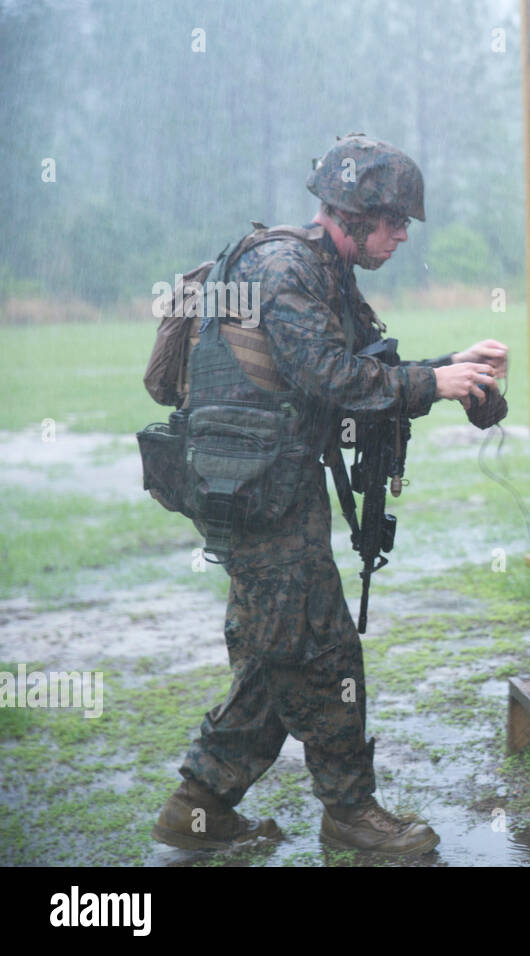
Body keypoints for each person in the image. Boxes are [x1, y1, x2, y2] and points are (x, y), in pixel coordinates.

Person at [152, 134, 507, 856]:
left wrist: (449, 370)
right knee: (323, 655)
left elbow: (360, 371)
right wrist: (429, 384)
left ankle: (199, 809)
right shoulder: (284, 267)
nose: (405, 235)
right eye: (397, 221)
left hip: (269, 490)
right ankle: (350, 814)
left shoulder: (323, 269)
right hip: (255, 499)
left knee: (274, 654)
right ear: (355, 212)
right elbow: (329, 377)